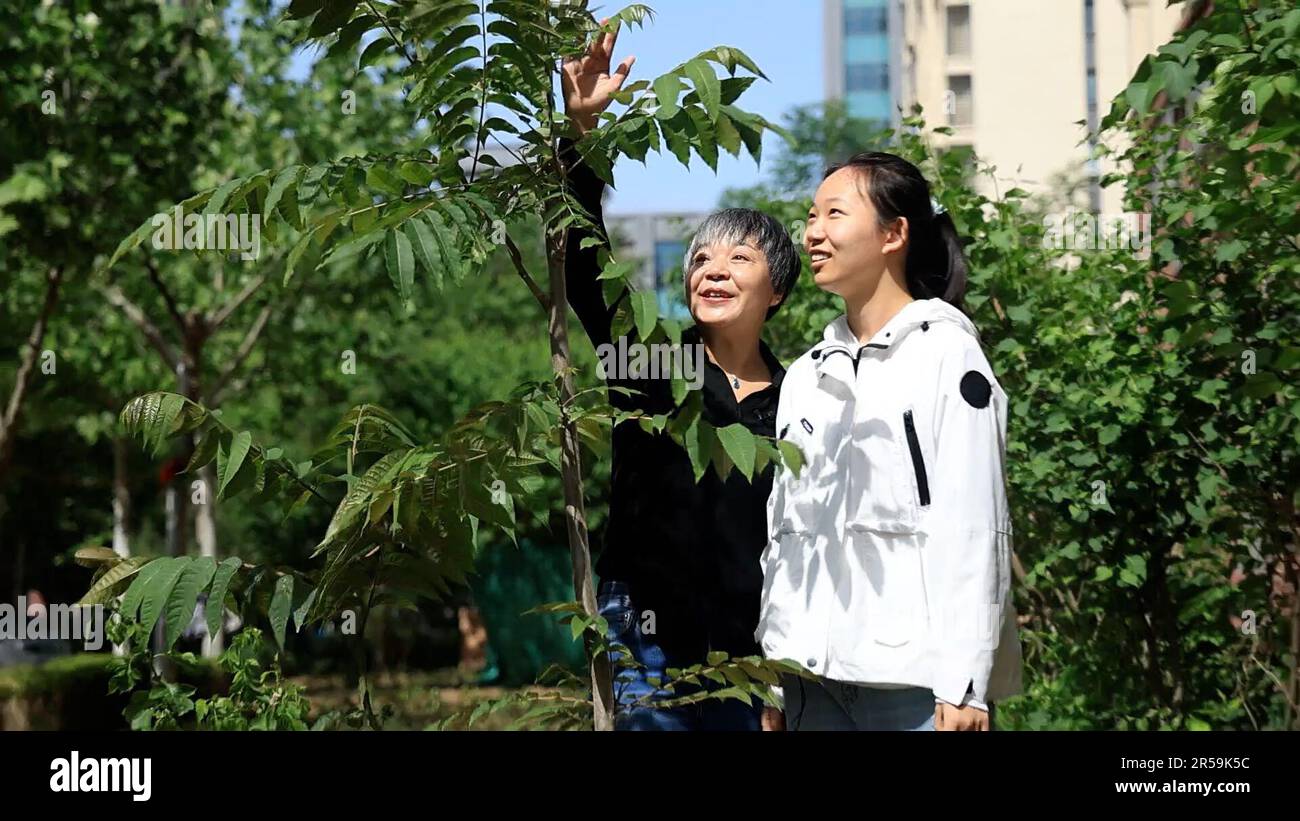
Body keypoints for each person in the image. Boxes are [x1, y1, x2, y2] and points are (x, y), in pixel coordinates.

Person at [560, 21, 801, 731]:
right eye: (700, 259)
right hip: (648, 641)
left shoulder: (802, 399)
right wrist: (582, 136)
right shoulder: (652, 362)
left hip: (751, 657)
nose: (713, 270)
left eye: (737, 259)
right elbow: (583, 268)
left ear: (777, 290)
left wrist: (779, 683)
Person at [757, 151, 1023, 731]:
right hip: (810, 684)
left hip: (913, 691)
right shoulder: (806, 373)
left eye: (833, 213)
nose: (813, 233)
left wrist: (967, 680)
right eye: (810, 216)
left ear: (894, 233)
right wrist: (773, 679)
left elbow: (975, 522)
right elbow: (785, 531)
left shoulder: (947, 355)